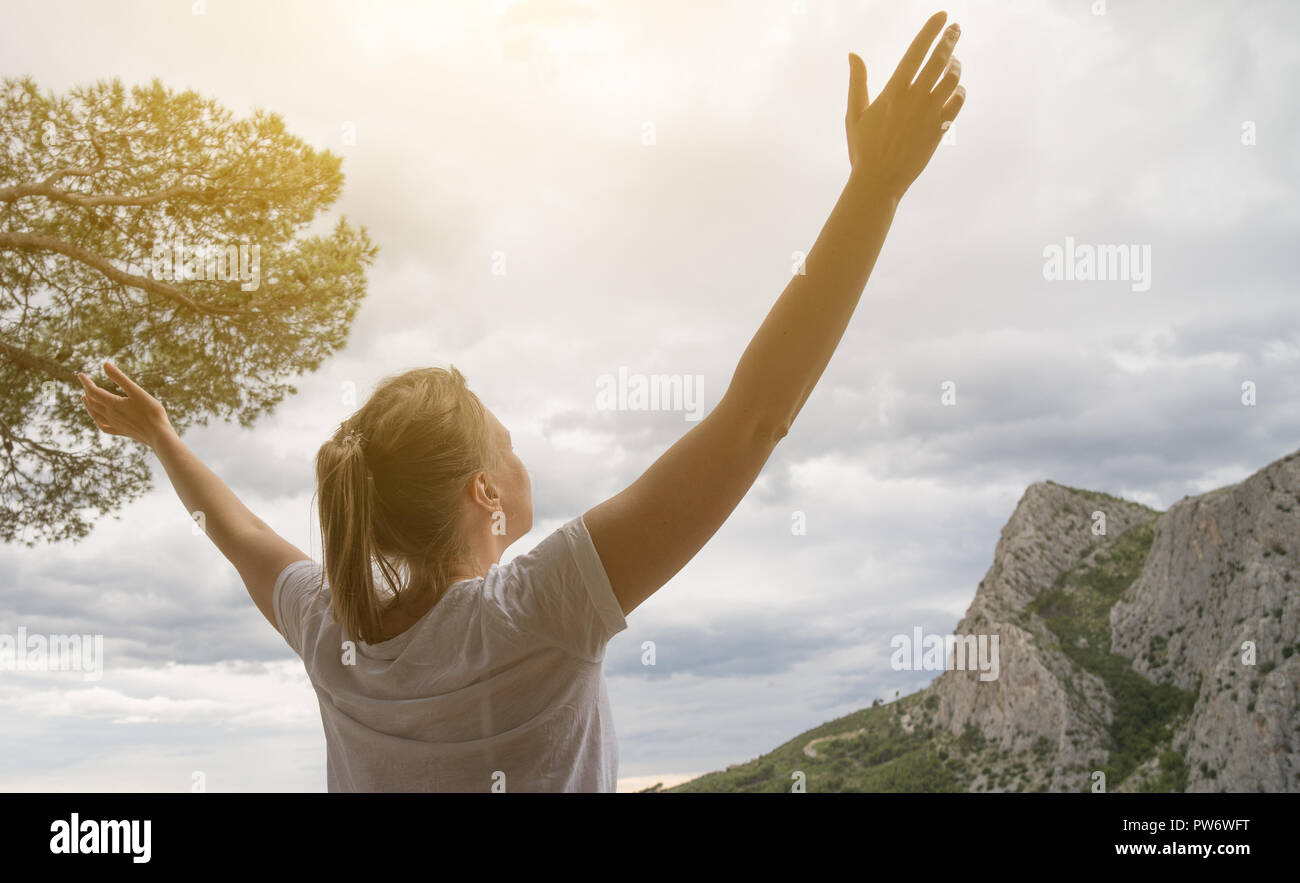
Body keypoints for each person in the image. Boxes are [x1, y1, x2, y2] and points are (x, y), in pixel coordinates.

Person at [75, 11, 966, 792]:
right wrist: (874, 190)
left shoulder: (333, 635)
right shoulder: (538, 611)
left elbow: (235, 533)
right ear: (483, 493)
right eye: (507, 444)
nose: (523, 455)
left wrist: (161, 437)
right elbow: (753, 420)